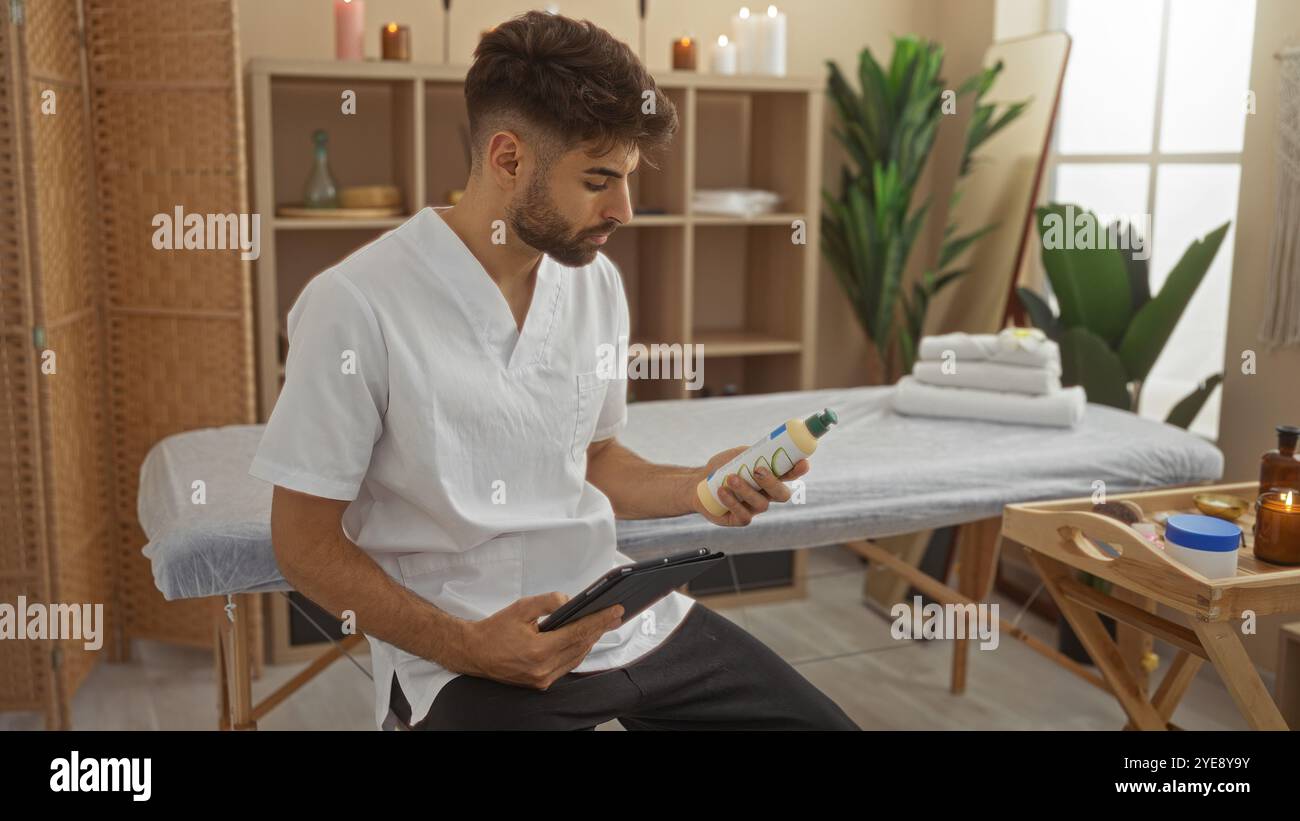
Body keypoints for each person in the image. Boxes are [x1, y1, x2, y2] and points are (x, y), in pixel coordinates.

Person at [250, 10, 858, 731]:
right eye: (600, 180)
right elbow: (304, 545)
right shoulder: (355, 305)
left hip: (613, 610)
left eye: (629, 179)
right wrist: (468, 646)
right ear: (508, 159)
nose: (624, 210)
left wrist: (701, 486)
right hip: (463, 648)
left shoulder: (591, 280)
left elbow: (593, 458)